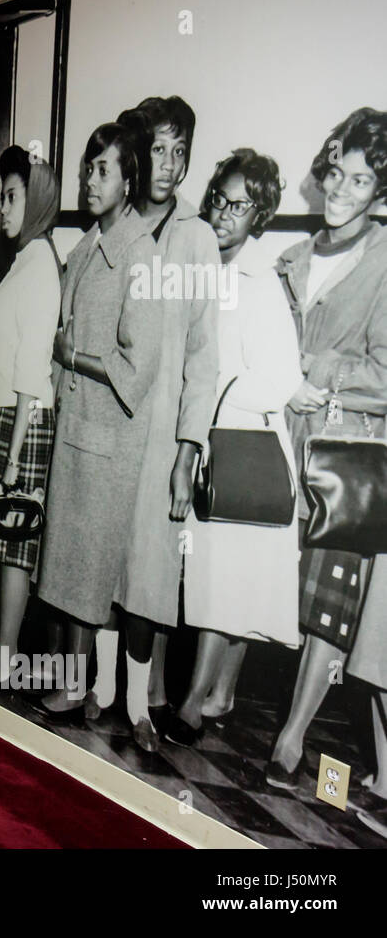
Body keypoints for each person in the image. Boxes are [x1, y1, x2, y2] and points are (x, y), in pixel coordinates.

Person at [266, 108, 387, 791]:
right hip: (284, 442)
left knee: (331, 598)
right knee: (284, 585)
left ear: (381, 193)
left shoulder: (385, 262)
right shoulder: (293, 259)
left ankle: (293, 736)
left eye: (362, 180)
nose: (342, 190)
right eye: (336, 173)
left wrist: (319, 368)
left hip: (347, 454)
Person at [31, 123, 161, 747]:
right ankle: (72, 682)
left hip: (109, 436)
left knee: (85, 571)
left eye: (103, 170)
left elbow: (139, 369)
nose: (91, 180)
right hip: (76, 428)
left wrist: (76, 357)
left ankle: (79, 685)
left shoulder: (141, 254)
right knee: (64, 566)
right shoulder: (87, 246)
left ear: (129, 181)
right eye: (88, 168)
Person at [169, 149, 302, 748]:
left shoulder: (262, 282)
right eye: (217, 199)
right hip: (218, 442)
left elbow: (283, 378)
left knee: (229, 580)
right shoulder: (203, 268)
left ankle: (194, 703)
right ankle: (220, 693)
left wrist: (216, 394)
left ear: (261, 214)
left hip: (244, 450)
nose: (222, 213)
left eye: (238, 205)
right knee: (232, 583)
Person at [99, 99, 219, 746]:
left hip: (162, 437)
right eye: (159, 150)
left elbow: (205, 356)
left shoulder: (195, 239)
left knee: (148, 567)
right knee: (102, 560)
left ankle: (142, 706)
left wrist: (187, 451)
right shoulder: (114, 228)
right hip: (107, 426)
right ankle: (101, 688)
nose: (169, 165)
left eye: (181, 151)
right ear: (138, 154)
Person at [0, 145, 62, 686]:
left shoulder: (40, 268)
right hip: (11, 418)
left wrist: (10, 457)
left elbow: (32, 374)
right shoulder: (26, 260)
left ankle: (8, 660)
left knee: (15, 543)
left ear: (36, 202)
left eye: (12, 197)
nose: (2, 208)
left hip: (25, 419)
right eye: (2, 197)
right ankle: (6, 654)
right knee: (7, 541)